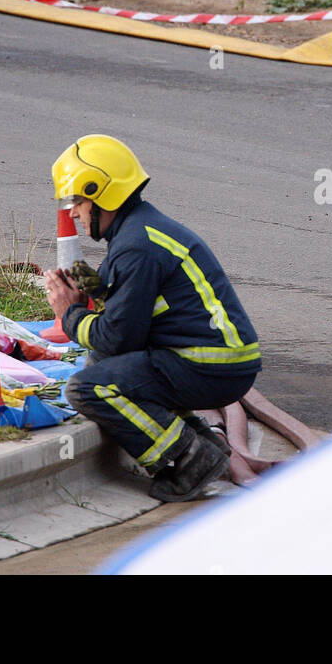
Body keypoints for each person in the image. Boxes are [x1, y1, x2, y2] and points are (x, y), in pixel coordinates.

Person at [47, 134, 259, 502]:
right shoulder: (139, 230)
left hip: (208, 366)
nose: (73, 213)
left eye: (78, 200)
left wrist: (69, 314)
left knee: (89, 387)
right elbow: (139, 313)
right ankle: (206, 445)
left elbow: (118, 339)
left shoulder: (135, 247)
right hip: (219, 361)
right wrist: (99, 294)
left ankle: (188, 459)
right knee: (108, 365)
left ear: (101, 194)